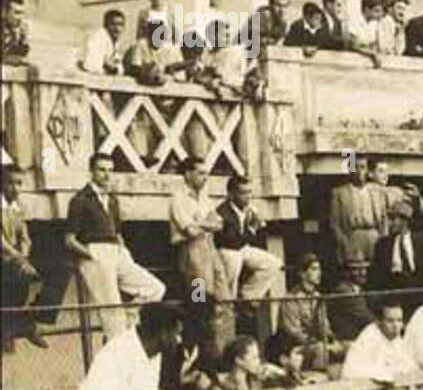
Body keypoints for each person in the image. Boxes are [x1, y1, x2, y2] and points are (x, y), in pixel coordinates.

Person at [66, 153, 166, 339]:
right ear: (91, 172)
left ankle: (129, 320)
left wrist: (124, 251)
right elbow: (70, 239)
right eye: (101, 170)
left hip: (117, 251)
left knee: (156, 288)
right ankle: (119, 348)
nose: (106, 175)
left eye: (110, 171)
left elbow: (117, 232)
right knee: (112, 311)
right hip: (96, 251)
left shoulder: (112, 200)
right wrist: (92, 254)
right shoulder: (80, 200)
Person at [169, 157, 235, 371]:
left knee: (224, 300)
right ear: (187, 174)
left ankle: (223, 355)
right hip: (192, 254)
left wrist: (203, 225)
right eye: (200, 173)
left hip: (210, 250)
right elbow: (189, 230)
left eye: (206, 173)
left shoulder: (204, 198)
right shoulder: (178, 199)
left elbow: (219, 224)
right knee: (198, 302)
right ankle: (198, 359)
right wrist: (206, 225)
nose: (204, 177)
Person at [214, 174, 281, 314]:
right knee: (232, 262)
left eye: (250, 192)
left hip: (241, 248)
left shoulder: (248, 209)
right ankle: (228, 306)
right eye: (243, 192)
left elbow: (246, 239)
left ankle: (247, 298)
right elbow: (232, 241)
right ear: (231, 194)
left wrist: (256, 225)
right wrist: (252, 229)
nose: (248, 196)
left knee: (273, 263)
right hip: (225, 250)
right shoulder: (223, 212)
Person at [2, 168, 46, 349]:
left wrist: (25, 256)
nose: (16, 188)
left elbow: (25, 236)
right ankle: (15, 327)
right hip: (5, 258)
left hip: (14, 260)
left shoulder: (17, 207)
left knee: (59, 269)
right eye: (11, 183)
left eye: (19, 183)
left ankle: (27, 320)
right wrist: (18, 258)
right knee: (13, 282)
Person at [278, 253, 343, 370]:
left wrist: (333, 340)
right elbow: (294, 333)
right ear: (302, 274)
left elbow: (324, 325)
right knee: (321, 349)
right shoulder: (291, 298)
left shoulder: (317, 296)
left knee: (346, 347)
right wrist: (319, 343)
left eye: (319, 269)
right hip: (293, 348)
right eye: (314, 269)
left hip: (313, 343)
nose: (319, 273)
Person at [370, 201, 423, 316]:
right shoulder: (383, 244)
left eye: (395, 219)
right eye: (391, 219)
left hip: (418, 289)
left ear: (406, 221)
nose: (391, 223)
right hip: (394, 289)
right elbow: (377, 274)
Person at [330, 155, 382, 265]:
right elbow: (334, 223)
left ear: (368, 170)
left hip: (374, 235)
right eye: (356, 167)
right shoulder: (339, 192)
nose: (359, 171)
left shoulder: (377, 190)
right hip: (353, 236)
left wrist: (384, 240)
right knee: (355, 268)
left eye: (362, 167)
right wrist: (344, 242)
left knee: (377, 268)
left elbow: (384, 218)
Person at [327, 258, 375, 342]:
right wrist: (384, 323)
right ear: (346, 273)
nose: (363, 273)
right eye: (357, 269)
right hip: (345, 340)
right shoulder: (344, 291)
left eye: (364, 269)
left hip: (358, 337)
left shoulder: (358, 289)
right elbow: (364, 317)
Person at [80, 9, 129, 75]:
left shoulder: (114, 41)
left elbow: (118, 66)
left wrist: (114, 69)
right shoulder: (99, 38)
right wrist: (109, 68)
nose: (117, 28)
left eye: (120, 25)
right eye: (113, 24)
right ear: (105, 25)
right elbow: (91, 66)